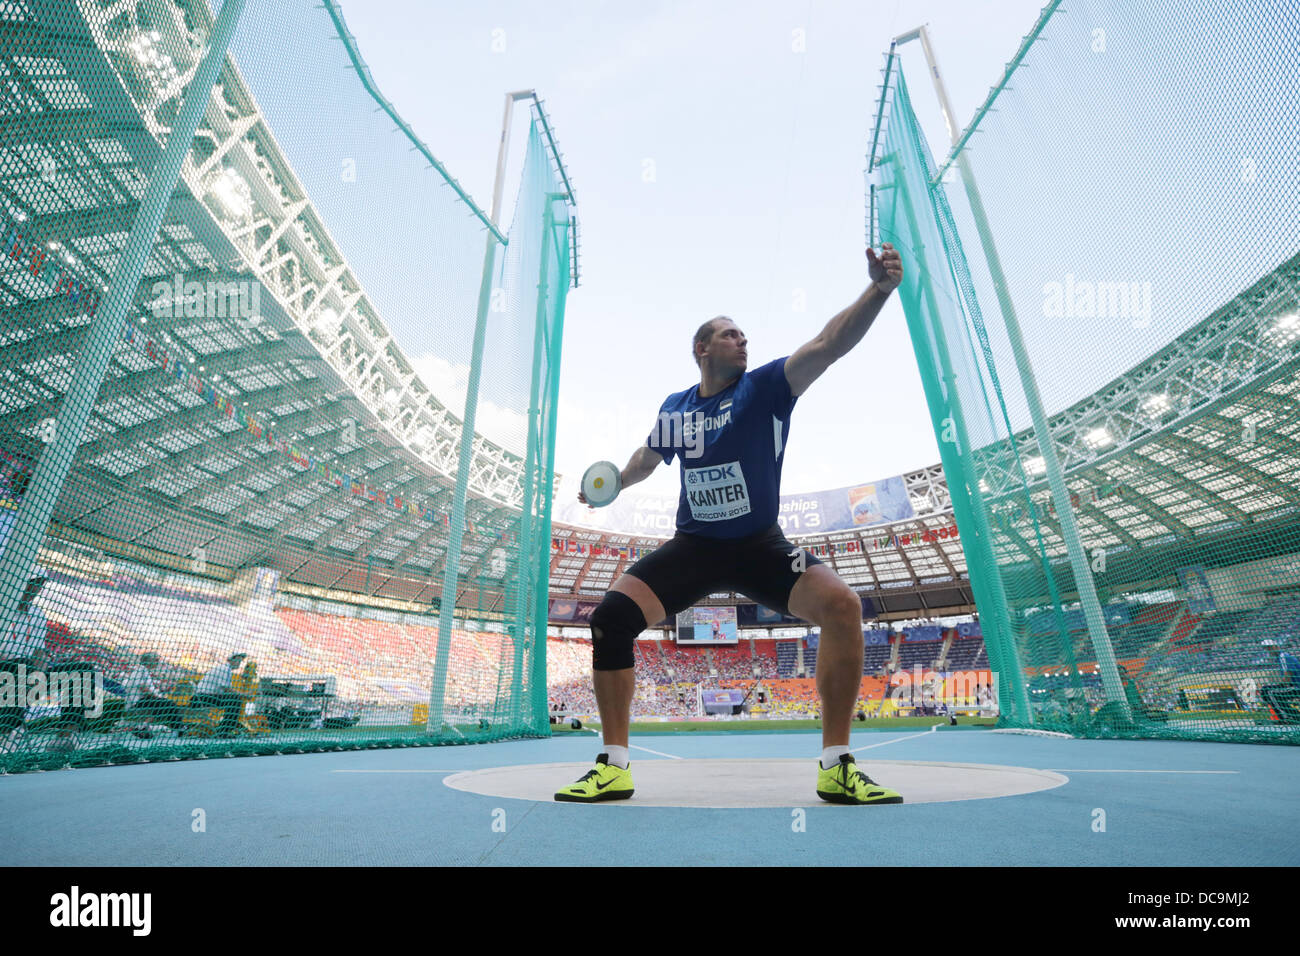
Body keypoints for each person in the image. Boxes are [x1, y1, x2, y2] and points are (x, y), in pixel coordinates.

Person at [556, 244, 905, 805]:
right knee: (611, 620)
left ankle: (837, 765)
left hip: (761, 548)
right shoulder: (679, 407)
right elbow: (649, 456)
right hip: (694, 548)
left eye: (744, 334)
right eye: (729, 334)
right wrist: (616, 482)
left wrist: (878, 289)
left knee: (842, 605)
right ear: (701, 349)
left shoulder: (766, 387)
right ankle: (613, 766)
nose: (742, 340)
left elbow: (829, 344)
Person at [191, 652, 248, 736]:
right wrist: (243, 695)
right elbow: (226, 688)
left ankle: (224, 729)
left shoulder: (226, 669)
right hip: (202, 697)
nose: (239, 663)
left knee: (234, 699)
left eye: (240, 661)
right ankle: (223, 731)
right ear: (231, 660)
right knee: (235, 700)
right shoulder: (224, 669)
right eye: (238, 660)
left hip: (205, 696)